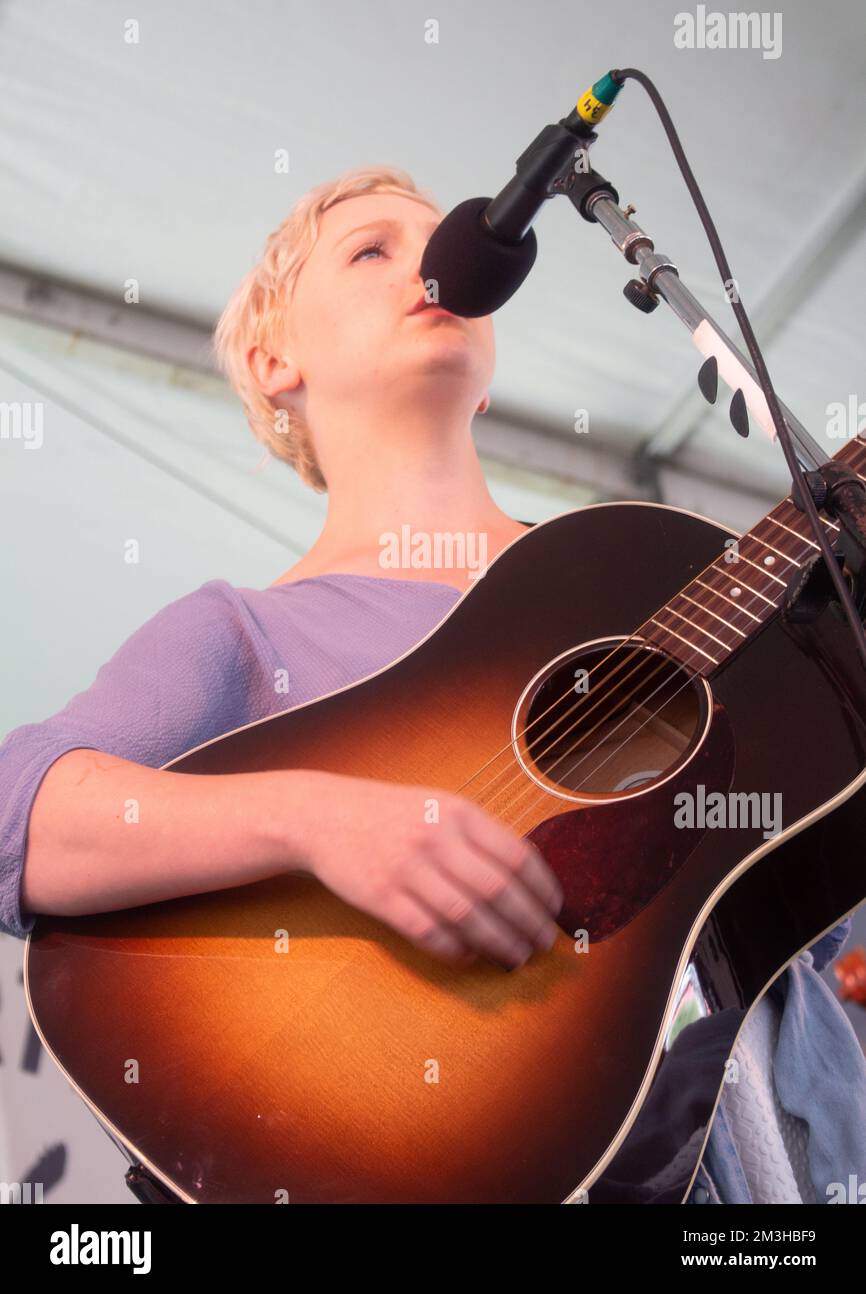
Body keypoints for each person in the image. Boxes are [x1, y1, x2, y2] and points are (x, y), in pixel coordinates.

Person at [2, 166, 864, 1203]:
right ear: (276, 361)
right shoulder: (244, 631)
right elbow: (19, 813)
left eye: (447, 243)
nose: (434, 265)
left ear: (489, 371)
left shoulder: (633, 572)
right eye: (372, 250)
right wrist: (317, 821)